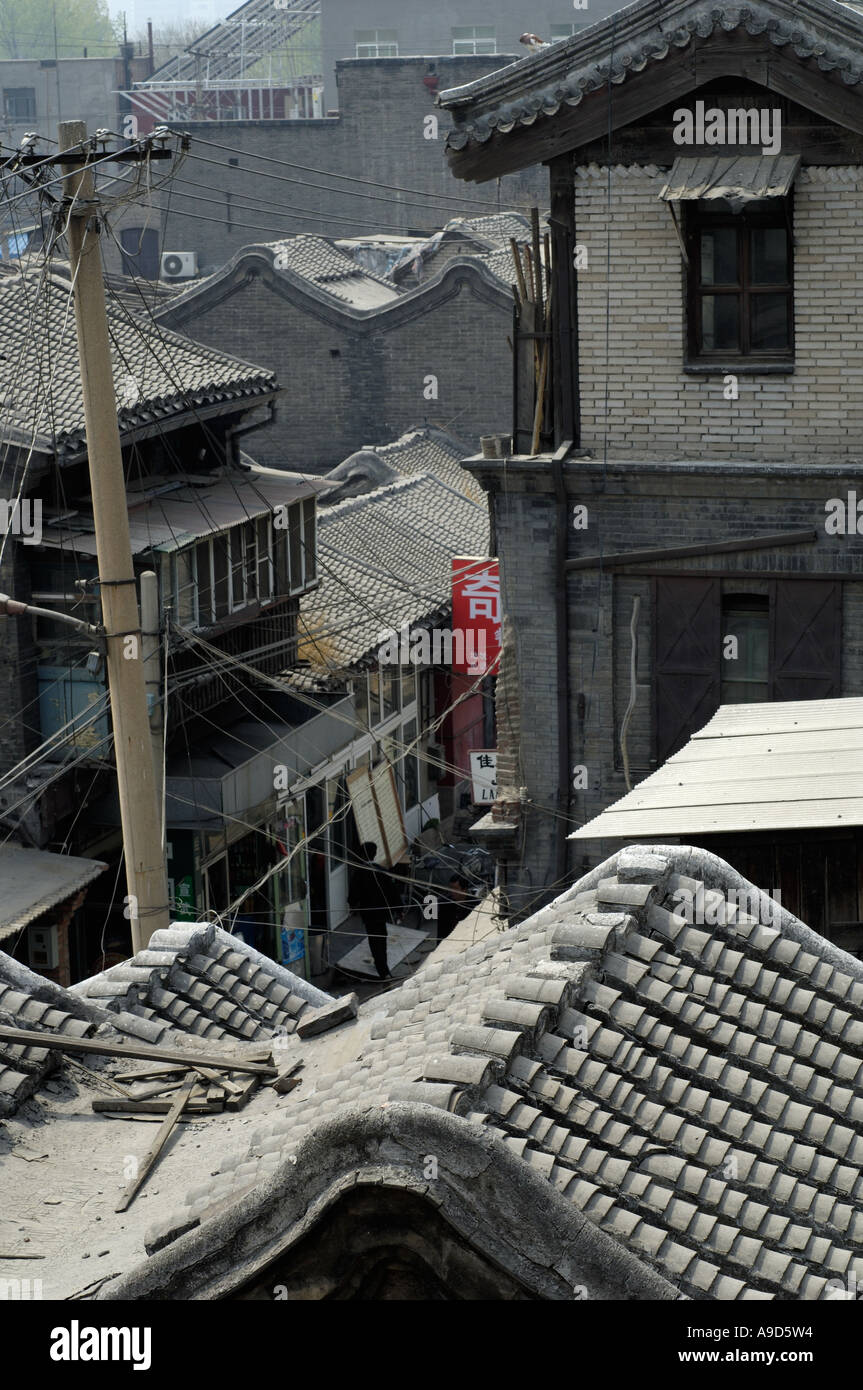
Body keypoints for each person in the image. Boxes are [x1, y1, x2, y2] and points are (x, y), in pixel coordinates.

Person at [348, 841, 393, 979]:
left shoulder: (359, 873)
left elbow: (353, 894)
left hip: (368, 914)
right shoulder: (382, 871)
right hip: (382, 913)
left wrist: (352, 905)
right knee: (381, 939)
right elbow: (392, 891)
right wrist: (399, 908)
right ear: (374, 854)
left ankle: (383, 971)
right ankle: (383, 968)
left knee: (374, 941)